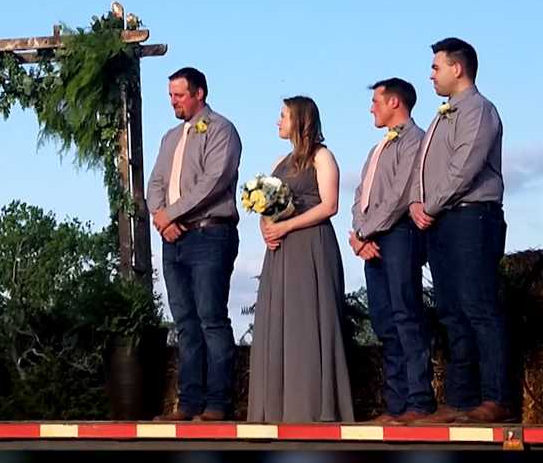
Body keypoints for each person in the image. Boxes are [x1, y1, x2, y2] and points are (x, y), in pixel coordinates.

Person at [410, 38, 508, 424]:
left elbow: (464, 167)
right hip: (443, 220)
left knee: (478, 305)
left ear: (458, 68)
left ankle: (496, 397)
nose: (431, 75)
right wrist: (417, 203)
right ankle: (461, 399)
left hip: (472, 217)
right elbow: (424, 169)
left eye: (436, 67)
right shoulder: (442, 116)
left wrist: (429, 205)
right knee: (451, 311)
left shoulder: (479, 110)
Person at [247, 96, 354, 422]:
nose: (278, 121)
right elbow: (267, 206)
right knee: (280, 321)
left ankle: (311, 406)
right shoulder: (280, 161)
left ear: (301, 120)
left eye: (283, 115)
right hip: (280, 251)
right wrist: (266, 228)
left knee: (309, 322)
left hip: (311, 247)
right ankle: (277, 408)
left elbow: (330, 205)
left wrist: (286, 226)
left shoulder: (323, 157)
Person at [146, 67, 242, 421]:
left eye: (179, 95)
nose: (174, 101)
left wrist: (171, 214)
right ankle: (188, 403)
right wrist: (161, 217)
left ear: (199, 93)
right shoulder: (170, 137)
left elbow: (213, 181)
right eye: (170, 96)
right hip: (173, 239)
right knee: (185, 322)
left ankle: (218, 403)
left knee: (210, 318)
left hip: (209, 234)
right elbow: (156, 183)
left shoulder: (221, 130)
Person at [347, 79, 435, 424]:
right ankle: (397, 404)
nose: (372, 107)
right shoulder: (377, 149)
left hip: (399, 234)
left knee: (406, 315)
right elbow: (360, 195)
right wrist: (360, 235)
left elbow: (400, 196)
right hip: (373, 240)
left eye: (376, 101)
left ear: (394, 102)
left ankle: (419, 401)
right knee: (384, 321)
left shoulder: (416, 141)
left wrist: (365, 232)